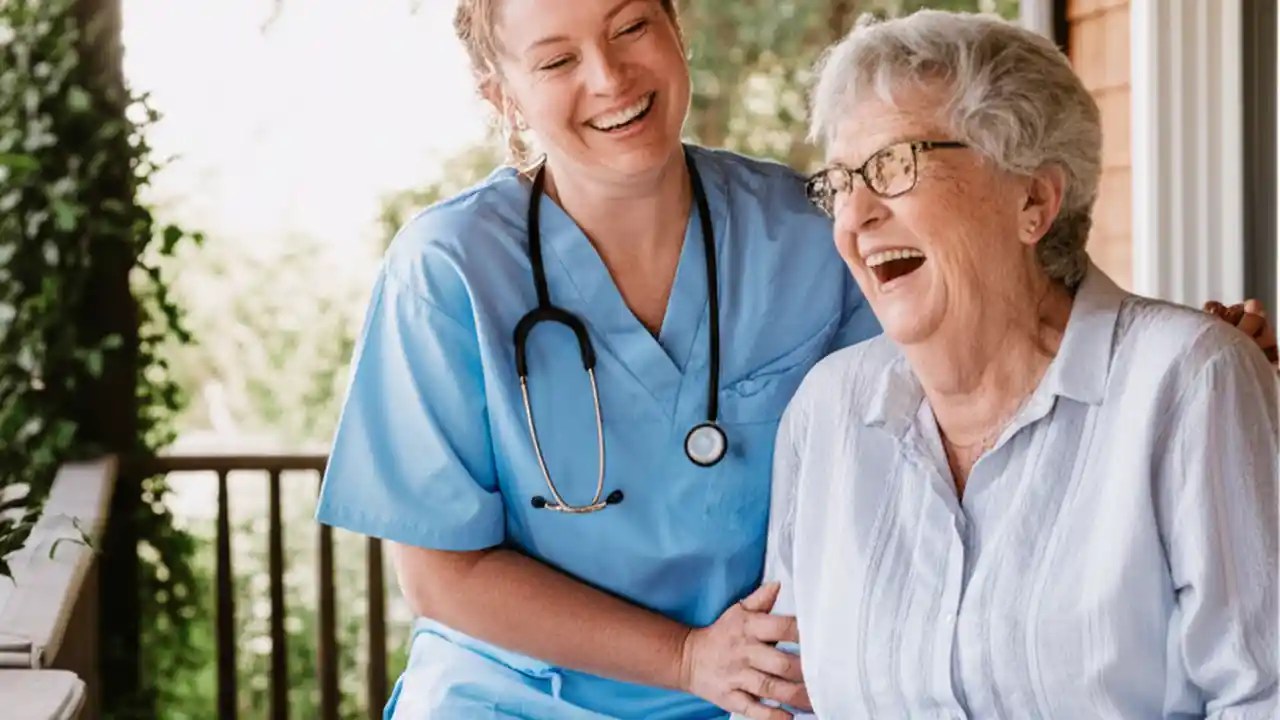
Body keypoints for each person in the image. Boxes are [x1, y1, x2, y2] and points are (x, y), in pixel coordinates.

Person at [315, 1, 1276, 718]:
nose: (608, 77)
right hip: (519, 697)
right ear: (502, 93)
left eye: (632, 26)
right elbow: (441, 574)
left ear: (677, 30)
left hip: (759, 691)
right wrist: (686, 657)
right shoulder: (448, 270)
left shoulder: (809, 221)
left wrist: (1172, 354)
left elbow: (990, 286)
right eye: (557, 58)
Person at [763, 10, 1278, 719]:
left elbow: (1263, 695)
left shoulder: (1186, 383)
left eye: (893, 165)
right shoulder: (828, 409)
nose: (854, 218)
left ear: (1033, 199)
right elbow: (784, 698)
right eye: (841, 182)